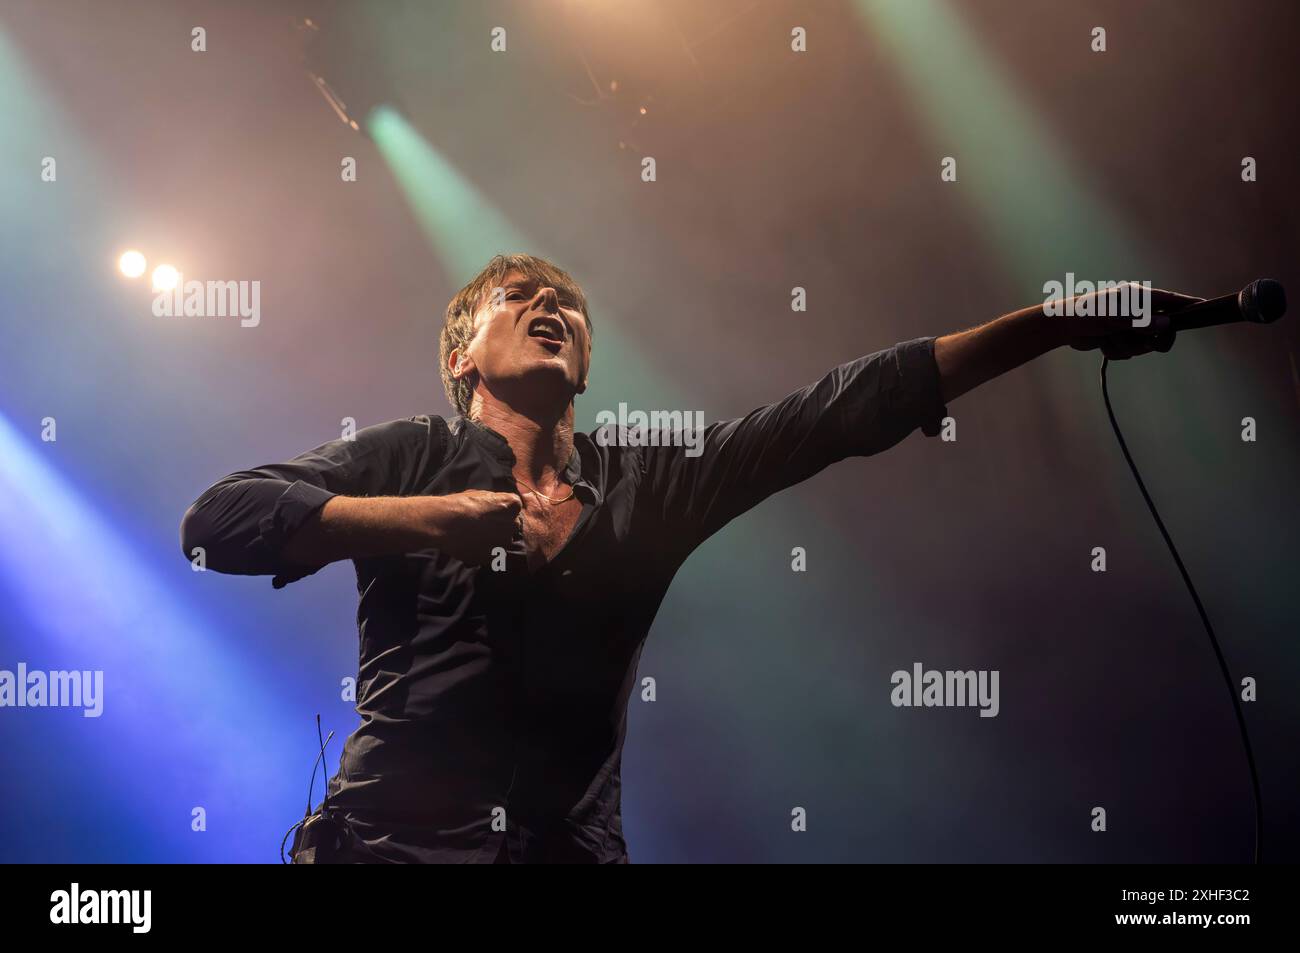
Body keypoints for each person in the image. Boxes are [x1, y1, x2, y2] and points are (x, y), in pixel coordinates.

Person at [180, 253, 1196, 863]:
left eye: (567, 304)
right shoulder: (410, 451)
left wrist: (1060, 317)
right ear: (461, 357)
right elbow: (218, 520)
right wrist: (425, 520)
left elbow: (835, 410)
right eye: (517, 294)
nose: (550, 304)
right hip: (384, 847)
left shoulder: (648, 484)